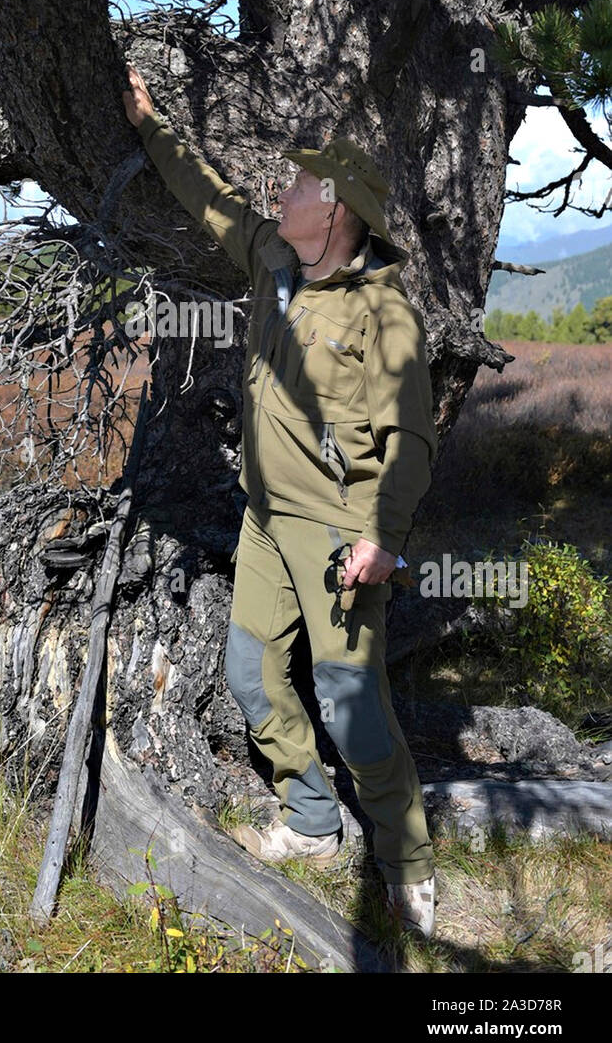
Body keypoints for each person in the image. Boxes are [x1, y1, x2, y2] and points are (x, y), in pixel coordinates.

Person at [122, 64, 438, 939]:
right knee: (249, 673)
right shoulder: (271, 256)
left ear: (334, 211)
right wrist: (152, 127)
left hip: (339, 533)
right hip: (264, 520)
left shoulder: (385, 314)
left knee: (349, 698)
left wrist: (382, 536)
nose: (284, 187)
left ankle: (406, 859)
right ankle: (310, 820)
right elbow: (209, 198)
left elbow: (411, 440)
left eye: (302, 182)